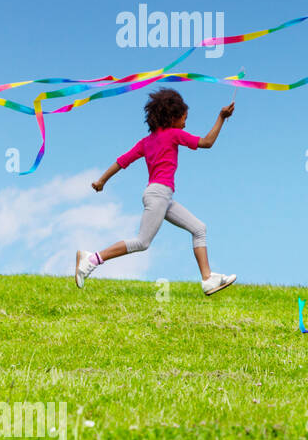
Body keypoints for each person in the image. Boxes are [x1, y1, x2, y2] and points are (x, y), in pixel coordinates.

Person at [75, 88, 237, 296]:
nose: (185, 124)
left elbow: (121, 161)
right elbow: (207, 142)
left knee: (199, 228)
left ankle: (207, 280)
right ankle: (91, 259)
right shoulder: (174, 134)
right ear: (172, 117)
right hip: (159, 195)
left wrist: (101, 181)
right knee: (142, 242)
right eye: (184, 119)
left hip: (161, 195)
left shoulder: (146, 141)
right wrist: (221, 117)